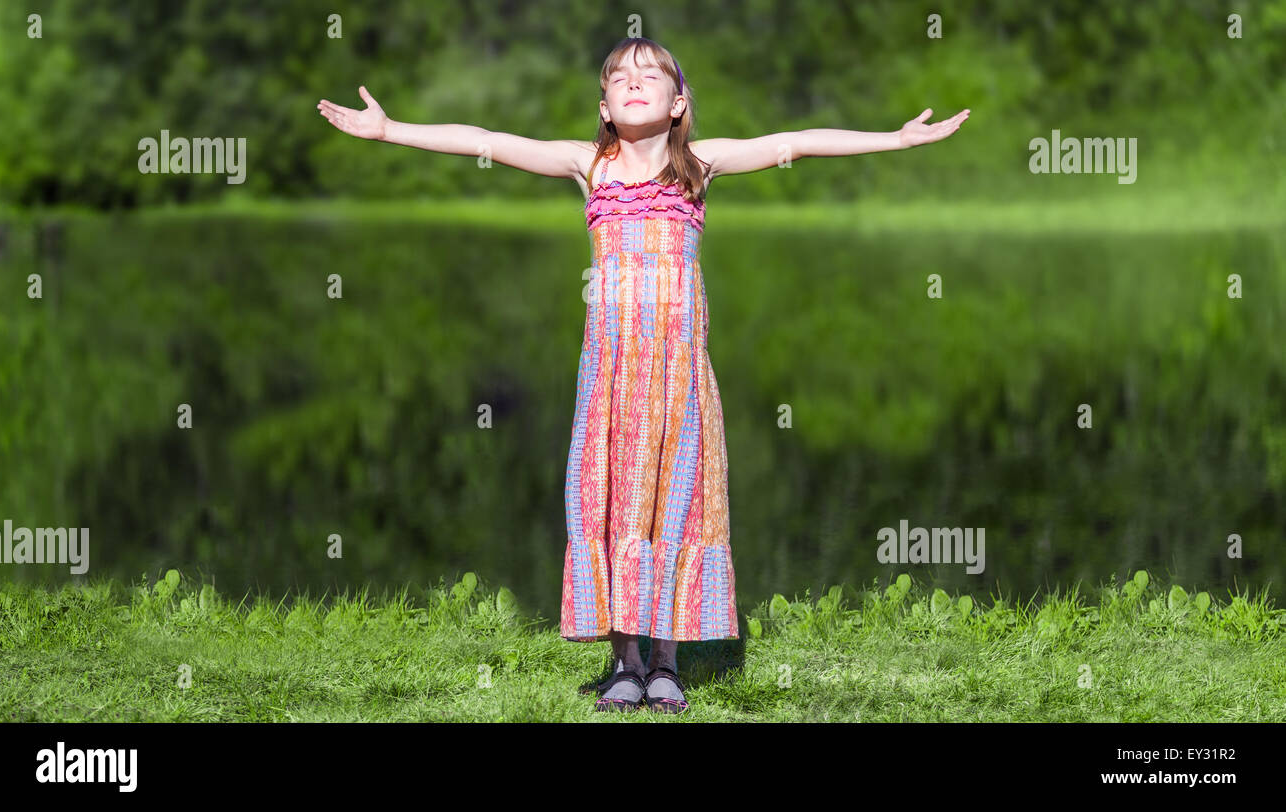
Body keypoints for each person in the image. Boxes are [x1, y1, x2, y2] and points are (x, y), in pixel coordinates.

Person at [317, 36, 969, 714]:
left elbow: (795, 141)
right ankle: (624, 661)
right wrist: (389, 130)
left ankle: (667, 662)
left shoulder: (700, 167)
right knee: (615, 503)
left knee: (675, 506)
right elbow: (485, 136)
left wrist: (897, 140)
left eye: (650, 74)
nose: (633, 82)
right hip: (612, 380)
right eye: (619, 77)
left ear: (678, 102)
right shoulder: (590, 166)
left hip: (679, 379)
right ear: (603, 105)